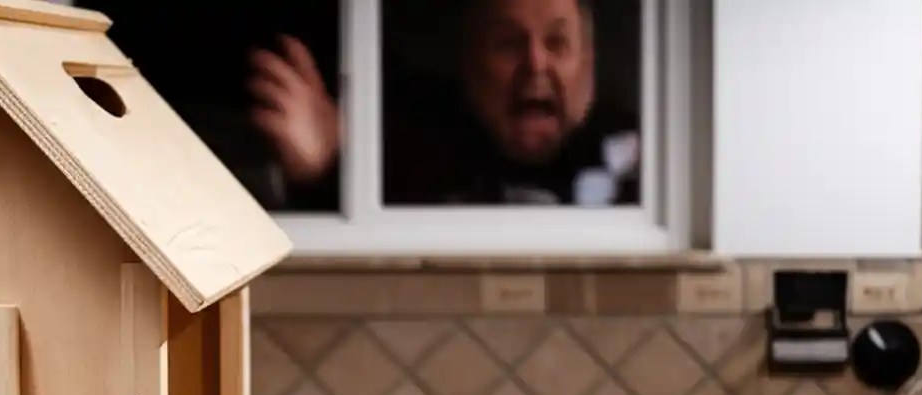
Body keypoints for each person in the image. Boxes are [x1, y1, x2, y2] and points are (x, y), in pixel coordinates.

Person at [246, 0, 640, 207]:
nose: (536, 63)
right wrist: (331, 164)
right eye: (508, 43)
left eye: (557, 43)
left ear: (588, 65)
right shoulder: (417, 152)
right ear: (470, 64)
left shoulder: (645, 167)